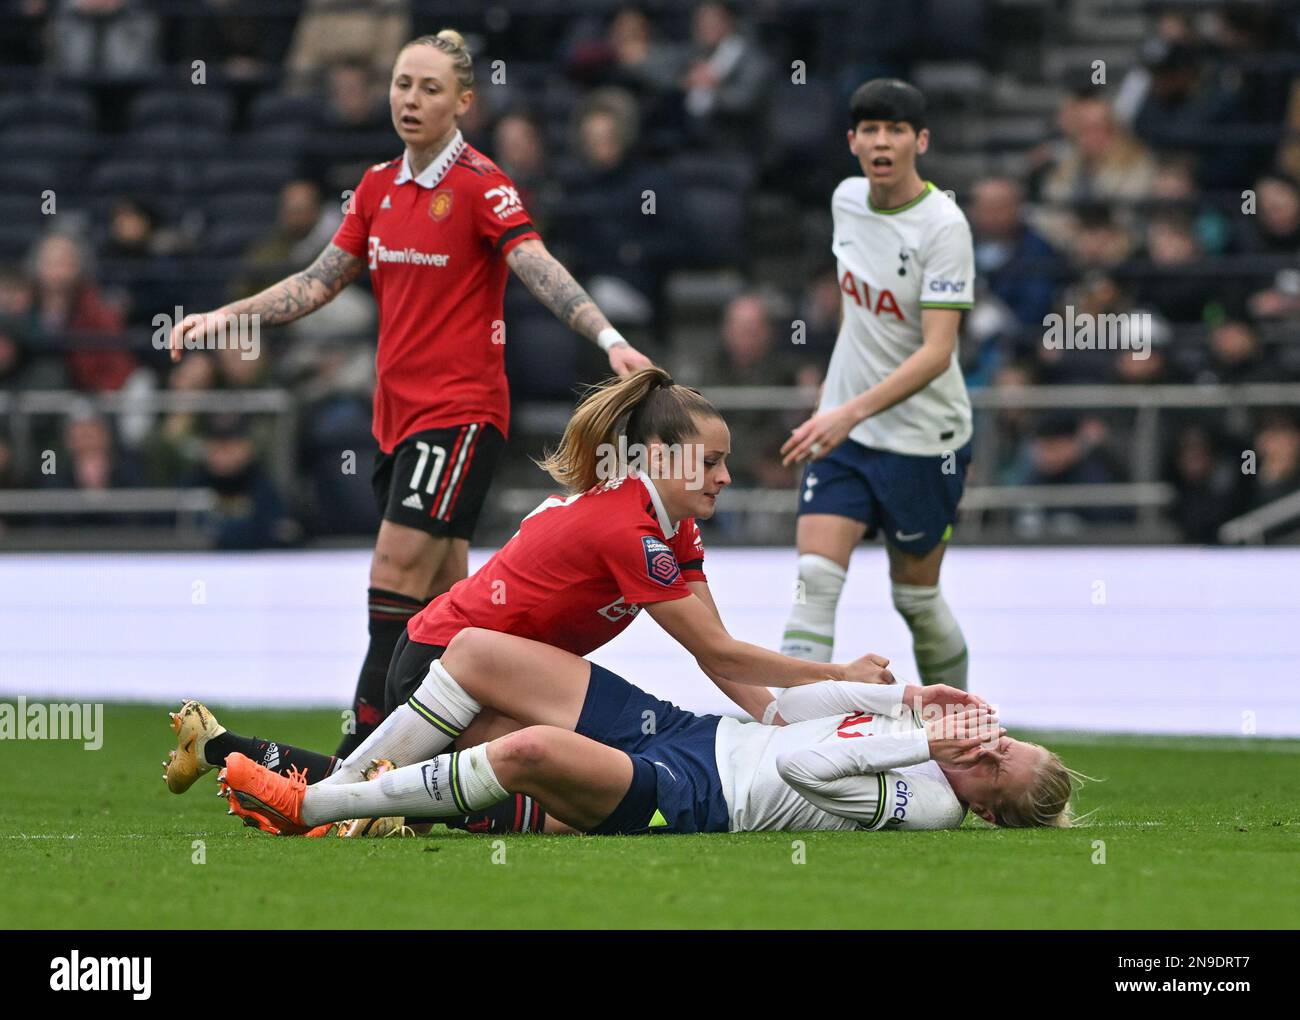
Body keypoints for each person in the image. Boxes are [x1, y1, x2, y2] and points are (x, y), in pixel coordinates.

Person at [169, 30, 653, 758]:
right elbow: (318, 280)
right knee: (440, 604)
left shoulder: (483, 184)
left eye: (429, 88)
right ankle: (451, 749)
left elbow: (536, 264)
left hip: (459, 417)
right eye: (402, 84)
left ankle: (356, 750)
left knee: (391, 572)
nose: (411, 99)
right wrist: (228, 317)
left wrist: (608, 336)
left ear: (463, 102)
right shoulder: (375, 187)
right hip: (397, 425)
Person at [164, 368, 896, 801]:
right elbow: (722, 650)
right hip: (442, 663)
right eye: (710, 463)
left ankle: (228, 747)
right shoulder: (627, 525)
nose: (725, 478)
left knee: (425, 792)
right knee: (518, 799)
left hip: (486, 667)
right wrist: (837, 675)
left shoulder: (671, 526)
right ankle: (262, 770)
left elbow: (717, 655)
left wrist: (774, 724)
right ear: (660, 459)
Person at [218, 626, 1081, 837]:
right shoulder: (919, 740)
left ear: (994, 810)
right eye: (1008, 737)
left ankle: (315, 806)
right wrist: (901, 704)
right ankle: (336, 789)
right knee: (477, 656)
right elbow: (780, 717)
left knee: (517, 752)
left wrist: (920, 743)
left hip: (692, 796)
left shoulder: (932, 807)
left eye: (1001, 762)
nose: (991, 743)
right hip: (688, 732)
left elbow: (816, 768)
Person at [778, 79, 976, 690]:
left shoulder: (943, 226)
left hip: (925, 439)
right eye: (870, 130)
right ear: (853, 141)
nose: (881, 141)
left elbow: (938, 353)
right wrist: (841, 408)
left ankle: (965, 726)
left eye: (895, 130)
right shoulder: (847, 200)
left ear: (920, 140)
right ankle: (790, 738)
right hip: (845, 430)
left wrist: (849, 412)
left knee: (915, 600)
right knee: (815, 580)